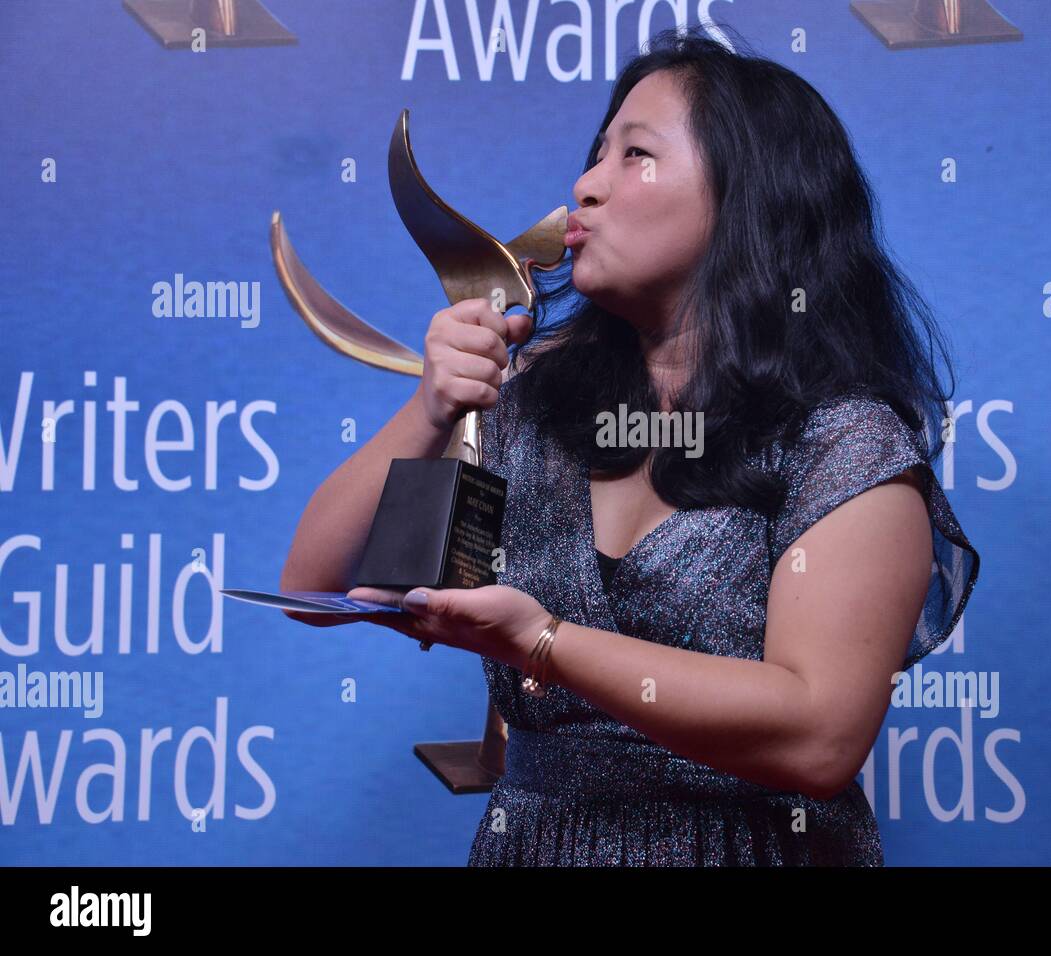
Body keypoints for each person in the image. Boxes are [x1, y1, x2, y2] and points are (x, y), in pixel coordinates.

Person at [279, 26, 980, 866]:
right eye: (595, 153)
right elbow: (318, 590)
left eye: (633, 155)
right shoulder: (530, 403)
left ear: (747, 196)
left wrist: (544, 643)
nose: (585, 186)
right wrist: (432, 408)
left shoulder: (842, 440)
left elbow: (820, 738)